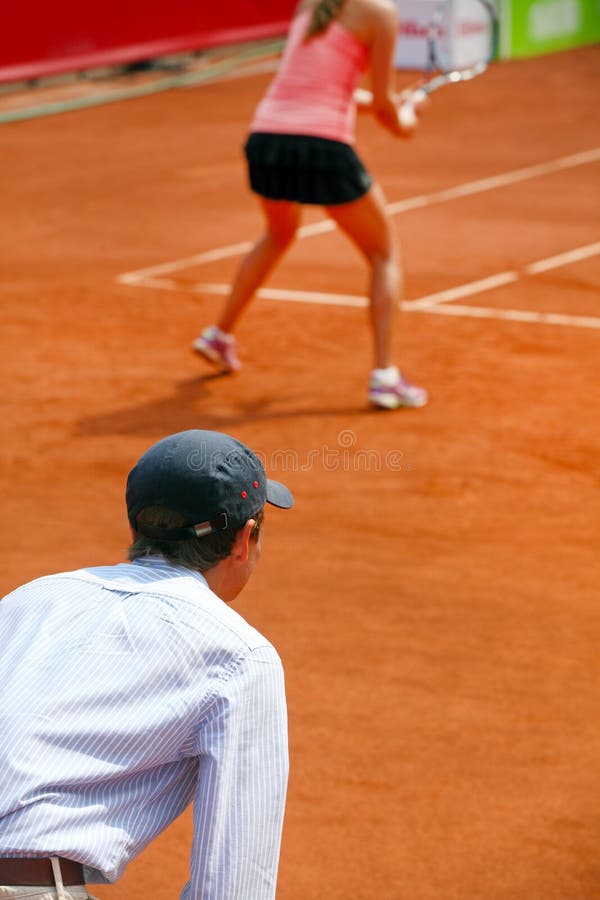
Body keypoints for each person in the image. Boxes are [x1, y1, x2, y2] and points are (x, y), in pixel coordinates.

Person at [0, 430, 294, 900]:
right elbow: (232, 884)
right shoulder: (239, 655)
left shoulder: (30, 600)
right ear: (245, 539)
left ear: (137, 527)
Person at [193, 0, 428, 410]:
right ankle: (385, 377)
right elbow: (386, 111)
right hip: (322, 146)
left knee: (279, 233)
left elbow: (318, 87)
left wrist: (388, 103)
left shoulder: (311, 4)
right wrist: (406, 117)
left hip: (266, 140)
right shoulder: (381, 14)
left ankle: (218, 335)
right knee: (383, 254)